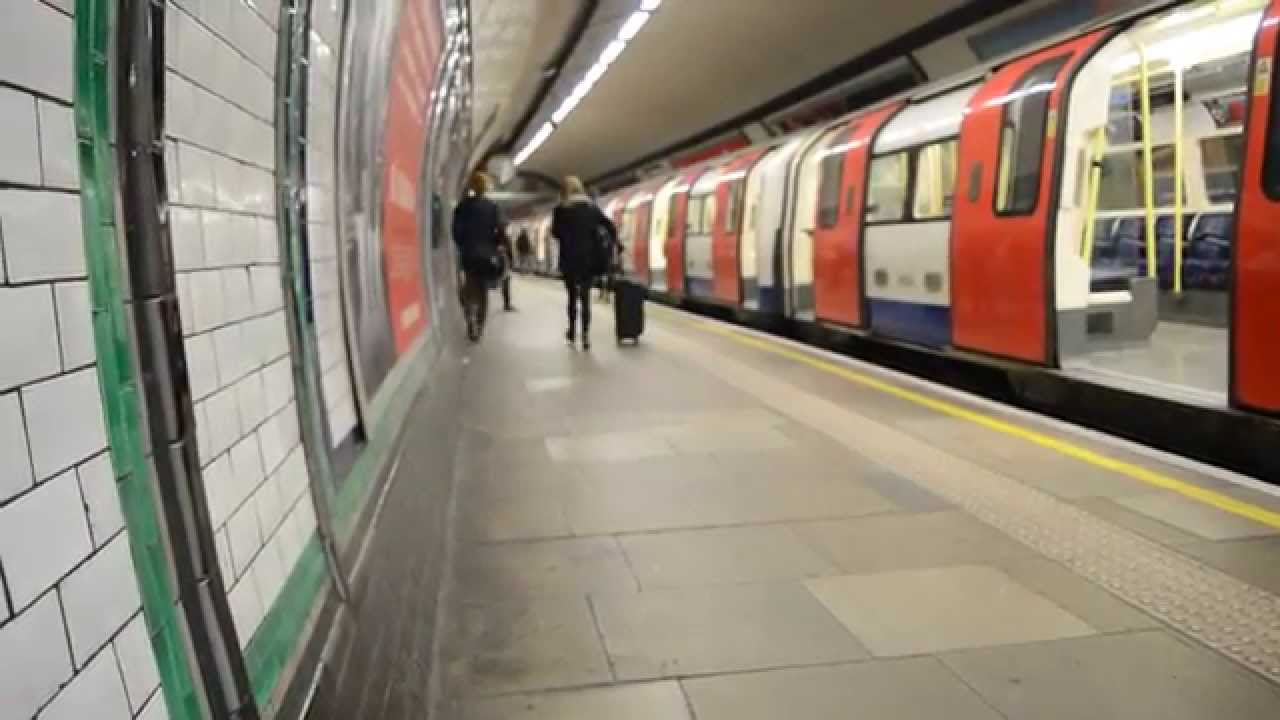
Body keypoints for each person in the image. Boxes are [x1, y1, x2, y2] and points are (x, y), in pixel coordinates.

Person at [551, 176, 616, 350]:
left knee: (572, 297)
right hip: (588, 259)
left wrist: (567, 236)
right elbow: (609, 226)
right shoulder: (591, 208)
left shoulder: (560, 209)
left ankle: (572, 332)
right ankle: (586, 336)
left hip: (568, 259)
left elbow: (555, 233)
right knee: (585, 298)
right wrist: (611, 244)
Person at [452, 172, 506, 342]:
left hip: (468, 253)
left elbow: (456, 231)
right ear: (485, 186)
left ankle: (470, 318)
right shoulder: (492, 207)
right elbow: (500, 230)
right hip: (486, 255)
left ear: (471, 186)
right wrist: (495, 245)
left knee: (469, 287)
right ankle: (479, 326)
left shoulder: (462, 206)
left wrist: (463, 244)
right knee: (482, 291)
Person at [499, 223, 515, 312]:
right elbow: (509, 251)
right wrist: (511, 262)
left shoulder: (496, 237)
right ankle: (507, 304)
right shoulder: (505, 238)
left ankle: (507, 303)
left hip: (501, 263)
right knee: (506, 283)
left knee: (505, 283)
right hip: (504, 263)